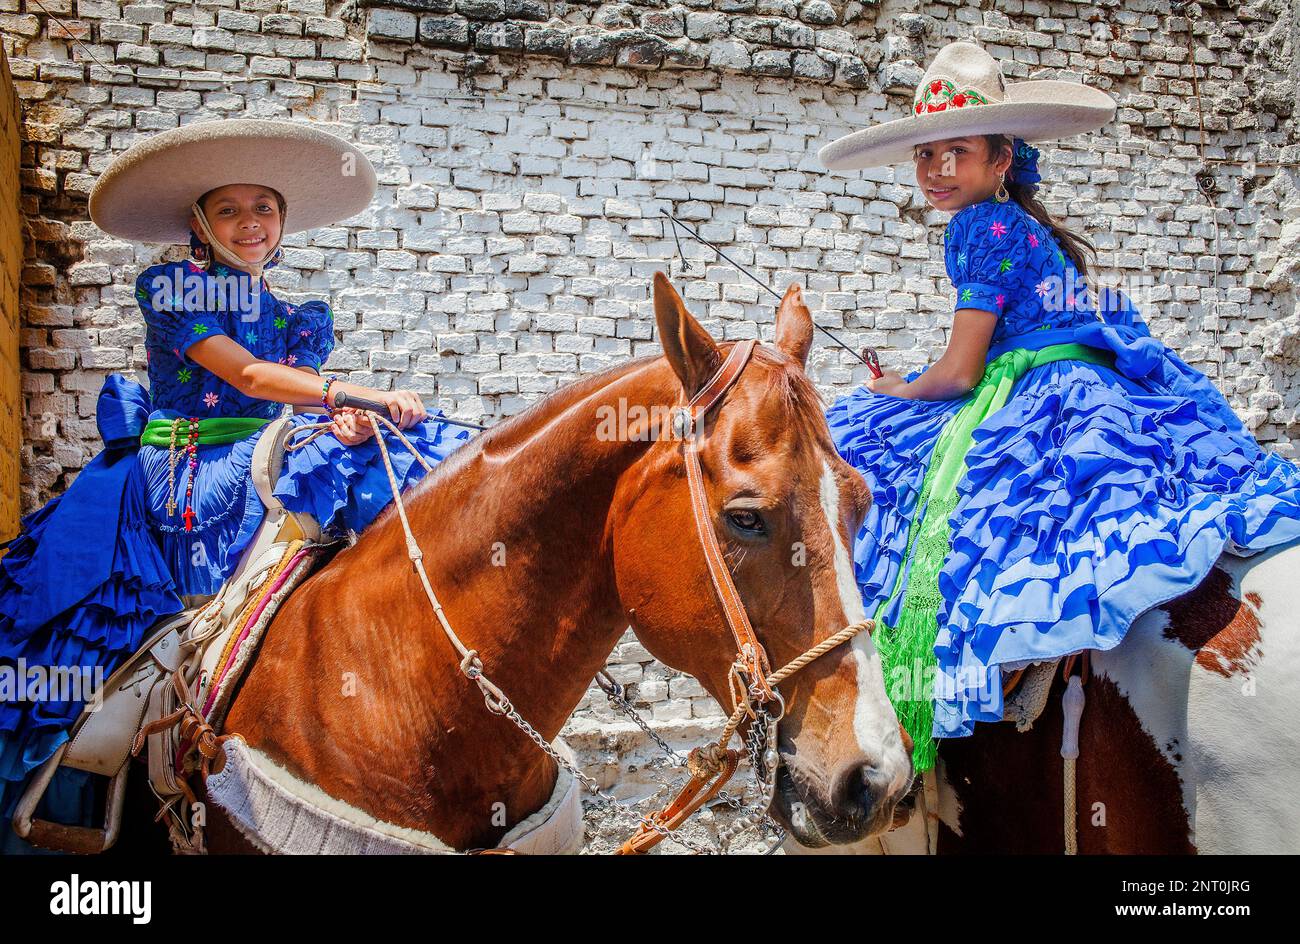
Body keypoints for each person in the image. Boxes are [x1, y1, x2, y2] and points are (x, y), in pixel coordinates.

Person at [818, 42, 1300, 771]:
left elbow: (956, 373)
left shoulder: (982, 227)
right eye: (925, 155)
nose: (937, 171)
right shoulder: (1020, 221)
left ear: (1000, 158)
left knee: (869, 452)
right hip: (1078, 383)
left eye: (956, 152)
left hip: (1038, 389)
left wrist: (898, 388)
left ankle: (908, 689)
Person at [0, 119, 471, 851]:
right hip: (184, 475)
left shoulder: (297, 316)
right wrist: (355, 392)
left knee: (410, 448)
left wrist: (341, 417)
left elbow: (288, 403)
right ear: (198, 221)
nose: (250, 223)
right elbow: (249, 378)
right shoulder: (172, 287)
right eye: (229, 209)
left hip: (259, 456)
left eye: (265, 208)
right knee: (89, 648)